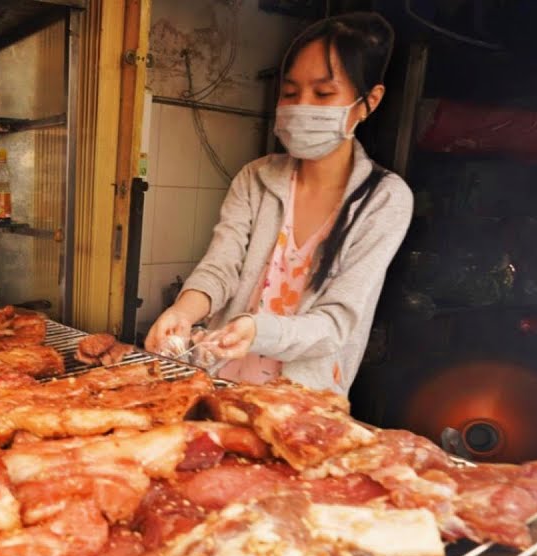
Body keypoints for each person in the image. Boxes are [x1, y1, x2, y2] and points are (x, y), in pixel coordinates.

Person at [144, 12, 411, 395]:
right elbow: (221, 267)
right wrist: (183, 311)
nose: (302, 105)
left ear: (369, 101)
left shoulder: (384, 200)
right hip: (219, 382)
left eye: (323, 94)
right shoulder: (255, 178)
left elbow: (336, 323)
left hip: (299, 402)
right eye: (290, 93)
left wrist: (258, 330)